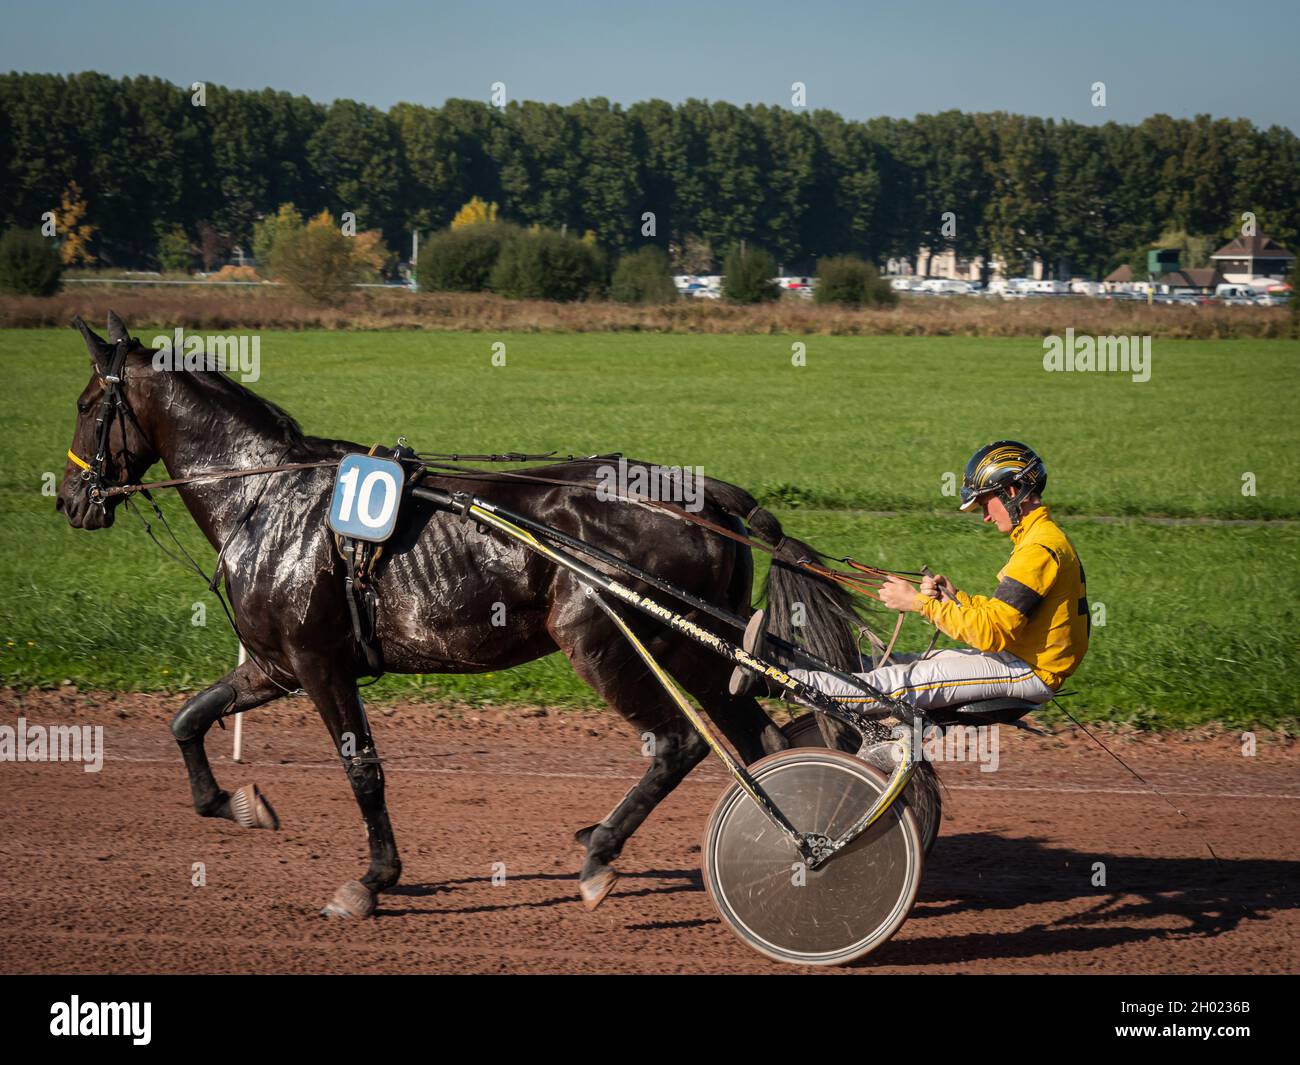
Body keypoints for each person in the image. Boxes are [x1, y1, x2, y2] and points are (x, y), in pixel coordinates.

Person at [737, 441, 1089, 714]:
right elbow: (1007, 616)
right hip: (1019, 659)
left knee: (898, 682)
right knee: (899, 663)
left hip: (1027, 670)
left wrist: (919, 604)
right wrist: (957, 599)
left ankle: (777, 679)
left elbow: (991, 634)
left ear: (1010, 492)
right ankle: (791, 663)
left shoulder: (1039, 548)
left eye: (984, 503)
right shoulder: (1040, 539)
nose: (984, 516)